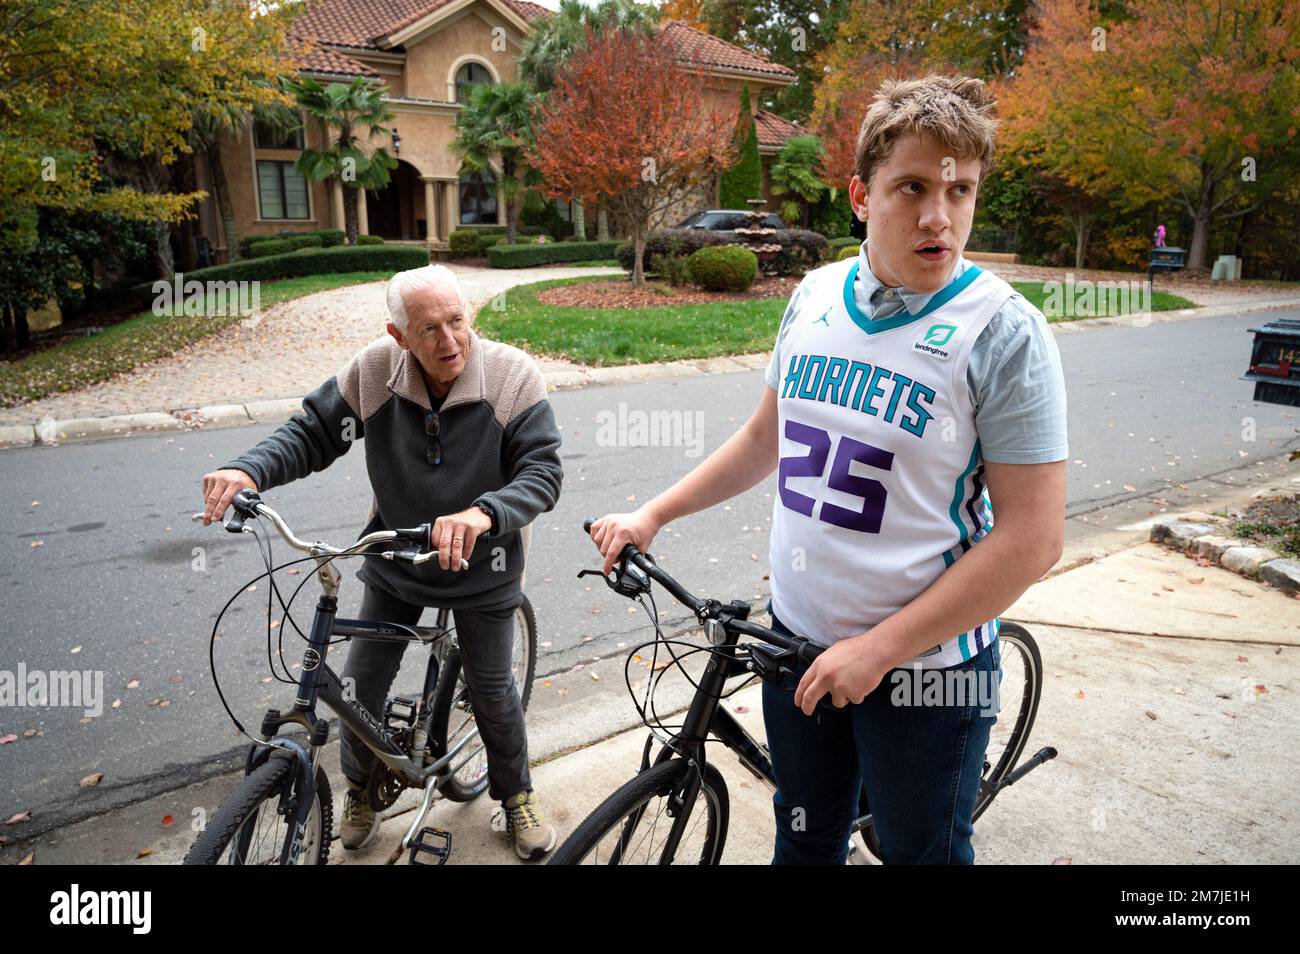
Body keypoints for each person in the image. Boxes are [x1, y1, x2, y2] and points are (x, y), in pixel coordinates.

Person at [588, 74, 1067, 864]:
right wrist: (654, 514)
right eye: (912, 186)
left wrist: (879, 650)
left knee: (923, 852)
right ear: (860, 194)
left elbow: (1031, 539)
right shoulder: (812, 297)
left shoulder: (1006, 334)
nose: (939, 216)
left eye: (960, 188)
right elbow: (762, 441)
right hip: (797, 648)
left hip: (929, 676)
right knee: (804, 843)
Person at [200, 264, 563, 861]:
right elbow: (312, 433)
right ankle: (362, 791)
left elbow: (542, 473)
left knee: (493, 690)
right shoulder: (374, 371)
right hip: (397, 554)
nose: (450, 341)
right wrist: (249, 469)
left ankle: (516, 793)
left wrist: (483, 514)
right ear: (397, 335)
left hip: (485, 567)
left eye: (457, 321)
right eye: (429, 330)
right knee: (360, 685)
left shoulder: (512, 376)